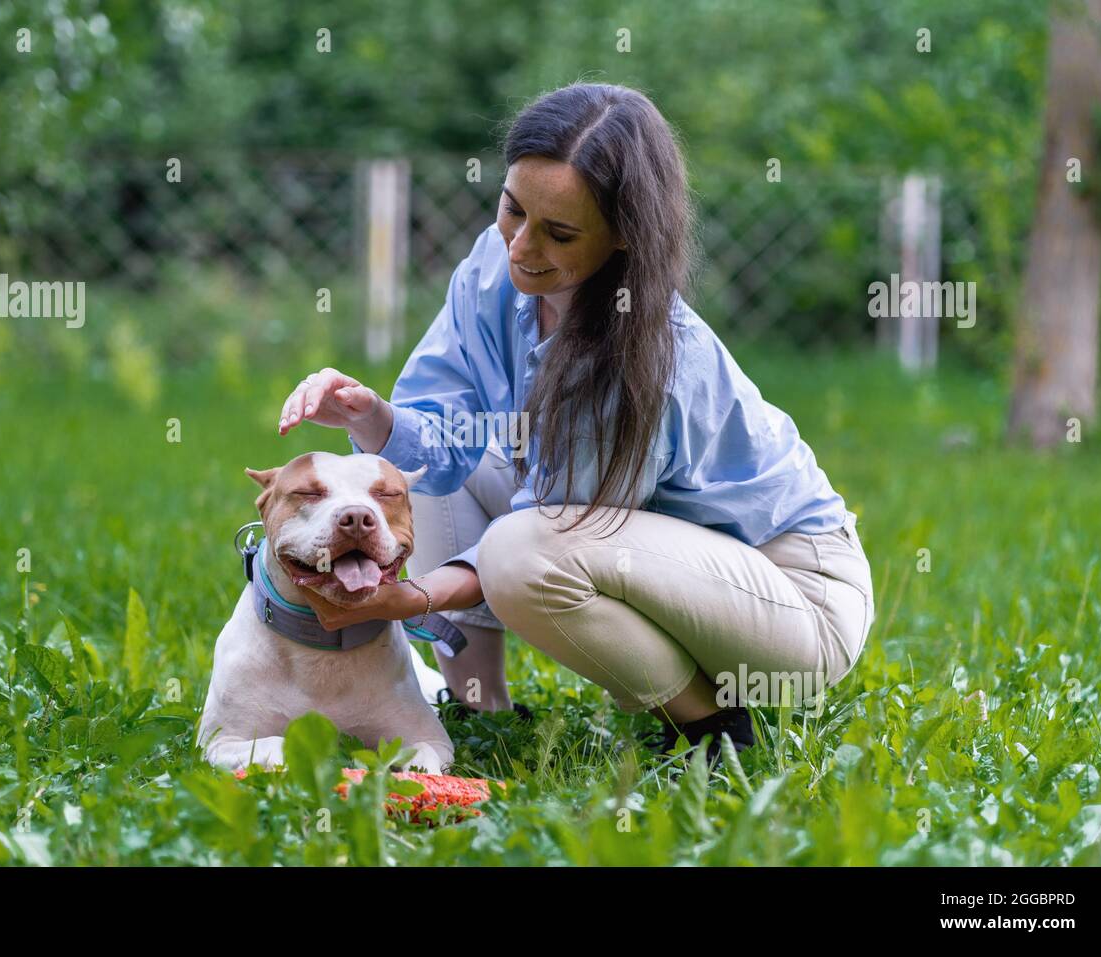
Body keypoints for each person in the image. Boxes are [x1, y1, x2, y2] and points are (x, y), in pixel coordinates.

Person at [278, 82, 875, 762]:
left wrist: (409, 597)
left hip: (791, 594)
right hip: (651, 551)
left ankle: (710, 727)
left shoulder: (646, 354)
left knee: (518, 554)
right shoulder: (492, 270)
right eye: (513, 209)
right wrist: (372, 416)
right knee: (433, 468)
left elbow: (549, 534)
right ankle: (480, 709)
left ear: (624, 239)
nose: (521, 247)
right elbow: (440, 443)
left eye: (558, 233)